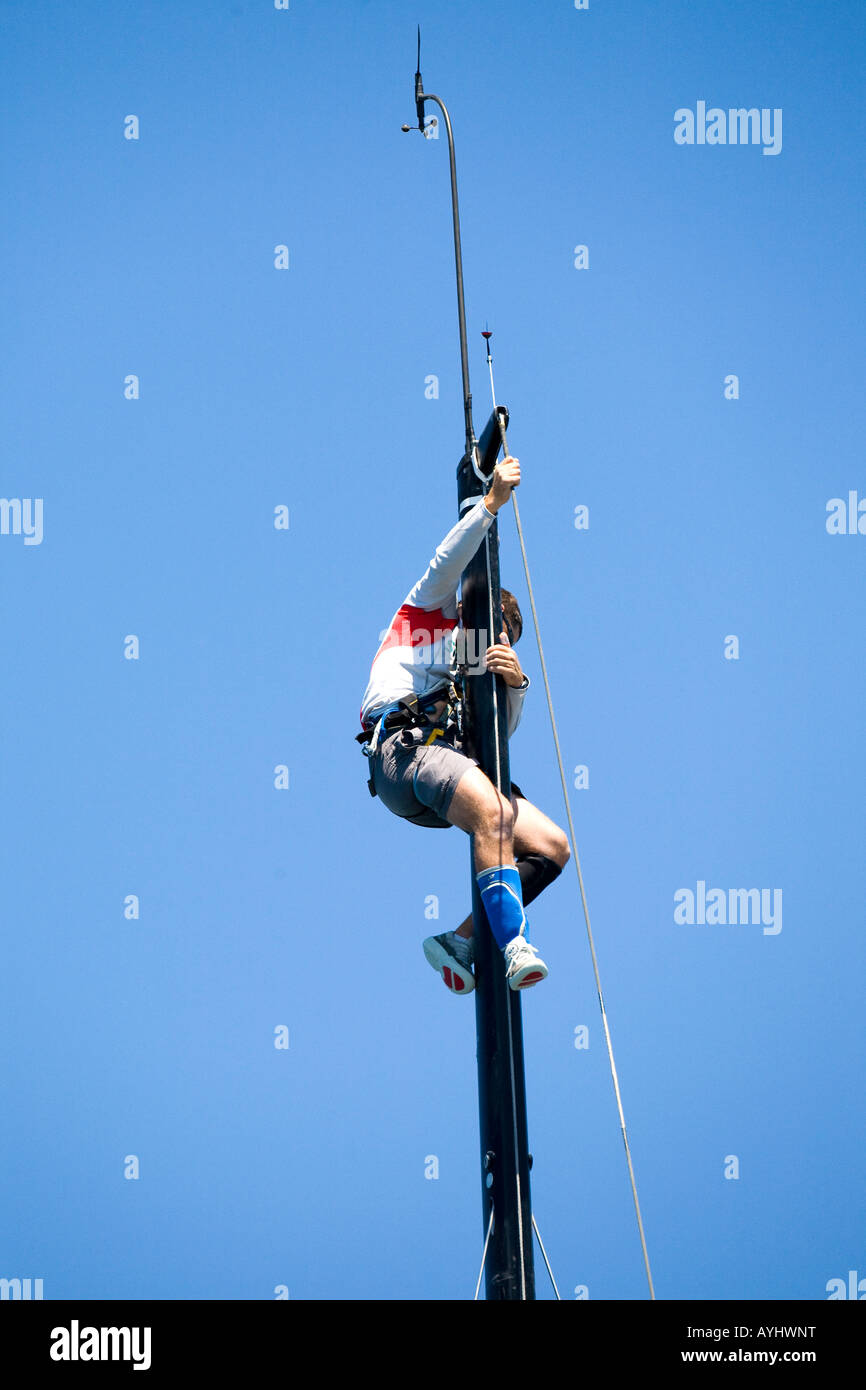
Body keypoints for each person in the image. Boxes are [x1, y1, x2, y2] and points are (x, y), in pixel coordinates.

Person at [357, 456, 569, 994]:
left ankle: (462, 941)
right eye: (491, 627)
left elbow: (495, 741)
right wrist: (491, 503)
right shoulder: (426, 611)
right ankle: (514, 944)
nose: (493, 642)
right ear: (469, 611)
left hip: (446, 768)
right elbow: (443, 561)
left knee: (551, 847)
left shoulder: (478, 667)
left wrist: (515, 687)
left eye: (505, 637)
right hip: (401, 751)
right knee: (494, 813)